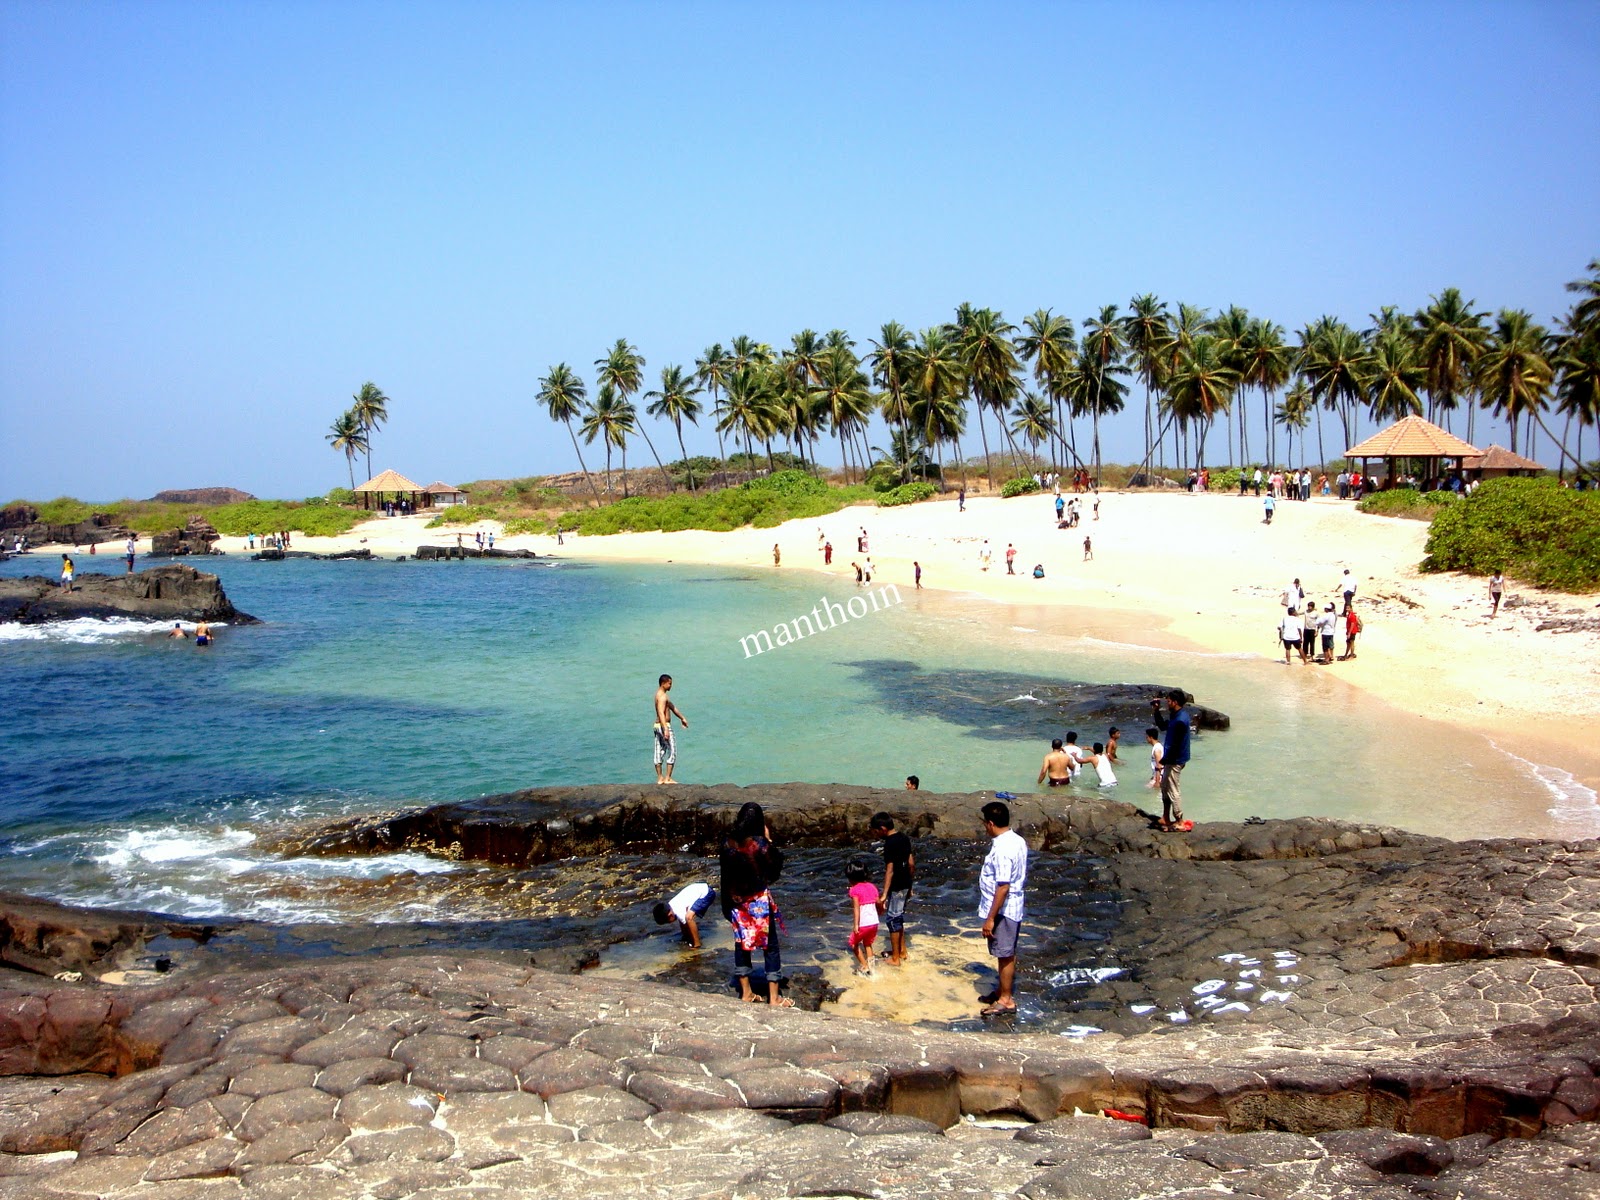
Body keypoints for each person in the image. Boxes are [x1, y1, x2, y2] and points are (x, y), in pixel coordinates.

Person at [720, 802, 792, 1006]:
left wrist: (725, 903)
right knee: (770, 946)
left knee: (741, 944)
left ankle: (746, 992)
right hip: (757, 901)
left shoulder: (727, 842)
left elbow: (725, 874)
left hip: (736, 902)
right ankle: (774, 997)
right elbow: (774, 871)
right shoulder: (759, 844)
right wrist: (769, 840)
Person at [976, 801, 1027, 1016]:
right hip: (1010, 907)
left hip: (1004, 910)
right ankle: (1001, 990)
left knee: (1005, 953)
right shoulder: (1016, 840)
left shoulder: (1004, 849)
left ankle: (1006, 999)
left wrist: (990, 918)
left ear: (990, 823)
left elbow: (1003, 886)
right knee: (1004, 952)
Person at [869, 811, 915, 966]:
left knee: (892, 920)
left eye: (875, 831)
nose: (875, 834)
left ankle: (895, 958)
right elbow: (911, 863)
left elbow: (890, 870)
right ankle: (901, 951)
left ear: (882, 828)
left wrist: (884, 894)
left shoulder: (890, 844)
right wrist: (910, 885)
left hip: (896, 886)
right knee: (898, 918)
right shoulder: (904, 838)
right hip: (906, 884)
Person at [1156, 689, 1192, 831]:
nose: (1167, 702)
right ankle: (1166, 816)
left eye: (1169, 700)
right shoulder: (1176, 715)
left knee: (1173, 789)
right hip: (1172, 757)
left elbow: (1176, 745)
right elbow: (1163, 726)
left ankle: (1180, 820)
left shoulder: (1180, 720)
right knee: (1165, 787)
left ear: (1175, 702)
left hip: (1175, 759)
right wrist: (1156, 711)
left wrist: (1164, 760)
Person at [653, 881, 716, 948]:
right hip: (701, 888)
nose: (669, 923)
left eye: (667, 922)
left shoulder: (678, 910)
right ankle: (687, 937)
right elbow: (683, 923)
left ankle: (697, 944)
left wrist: (693, 942)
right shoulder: (672, 905)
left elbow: (687, 921)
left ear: (670, 915)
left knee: (689, 918)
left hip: (707, 893)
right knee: (685, 919)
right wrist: (686, 937)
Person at [846, 860, 880, 976]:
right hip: (874, 922)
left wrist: (856, 925)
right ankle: (872, 967)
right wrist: (881, 910)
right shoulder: (872, 887)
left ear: (851, 878)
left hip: (863, 923)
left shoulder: (854, 890)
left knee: (853, 943)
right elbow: (878, 902)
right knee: (867, 943)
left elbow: (856, 908)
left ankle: (864, 966)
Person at [653, 674, 689, 785]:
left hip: (657, 726)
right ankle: (667, 778)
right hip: (664, 726)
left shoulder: (659, 695)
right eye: (670, 683)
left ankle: (660, 778)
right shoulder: (663, 697)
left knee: (659, 750)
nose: (671, 686)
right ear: (663, 683)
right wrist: (666, 729)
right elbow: (661, 712)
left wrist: (682, 718)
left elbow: (672, 707)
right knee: (672, 751)